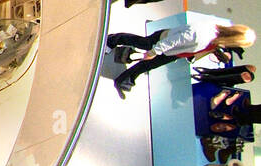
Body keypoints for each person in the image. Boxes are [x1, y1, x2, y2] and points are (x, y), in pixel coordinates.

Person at [107, 24, 255, 99]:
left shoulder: (217, 38)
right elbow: (174, 41)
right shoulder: (203, 34)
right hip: (164, 41)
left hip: (175, 52)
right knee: (142, 43)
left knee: (148, 65)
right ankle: (113, 39)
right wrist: (154, 52)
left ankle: (125, 80)